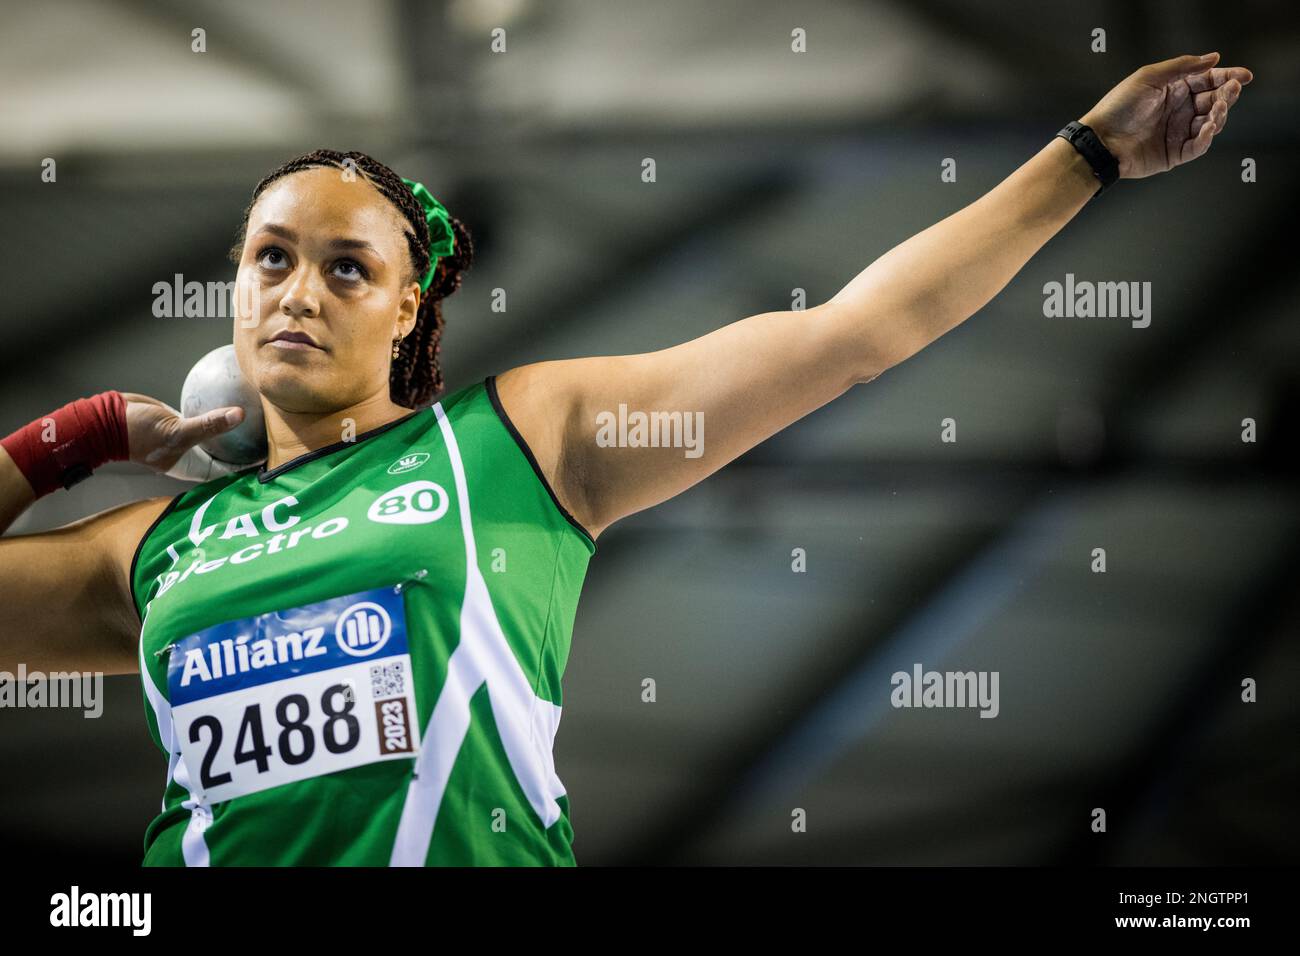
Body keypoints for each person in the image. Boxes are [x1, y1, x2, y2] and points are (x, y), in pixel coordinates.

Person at [0, 52, 1252, 865]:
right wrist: (72, 440)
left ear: (407, 311)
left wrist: (1086, 153)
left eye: (346, 267)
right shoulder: (155, 548)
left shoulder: (517, 440)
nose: (297, 291)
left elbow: (859, 331)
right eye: (269, 257)